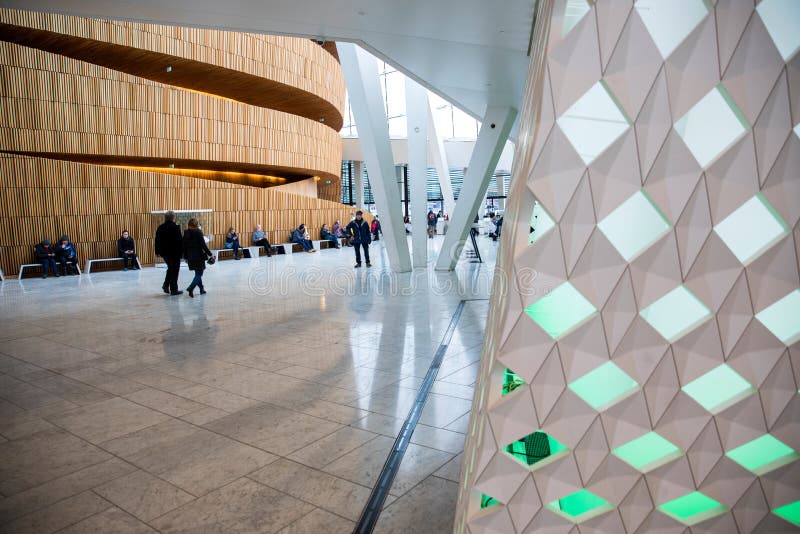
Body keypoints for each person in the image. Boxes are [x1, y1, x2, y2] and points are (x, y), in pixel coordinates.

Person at [155, 210, 183, 295]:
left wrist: (157, 251)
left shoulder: (160, 227)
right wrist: (182, 253)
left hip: (165, 253)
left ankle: (166, 285)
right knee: (175, 270)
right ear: (173, 218)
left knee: (171, 268)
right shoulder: (175, 227)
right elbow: (179, 242)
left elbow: (157, 240)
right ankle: (173, 289)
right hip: (174, 253)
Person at [183, 218, 213, 297]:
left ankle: (201, 289)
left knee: (197, 273)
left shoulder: (186, 233)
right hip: (199, 257)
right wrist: (210, 254)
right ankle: (191, 287)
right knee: (199, 274)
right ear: (197, 225)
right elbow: (203, 246)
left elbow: (184, 246)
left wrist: (185, 257)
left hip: (190, 257)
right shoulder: (198, 232)